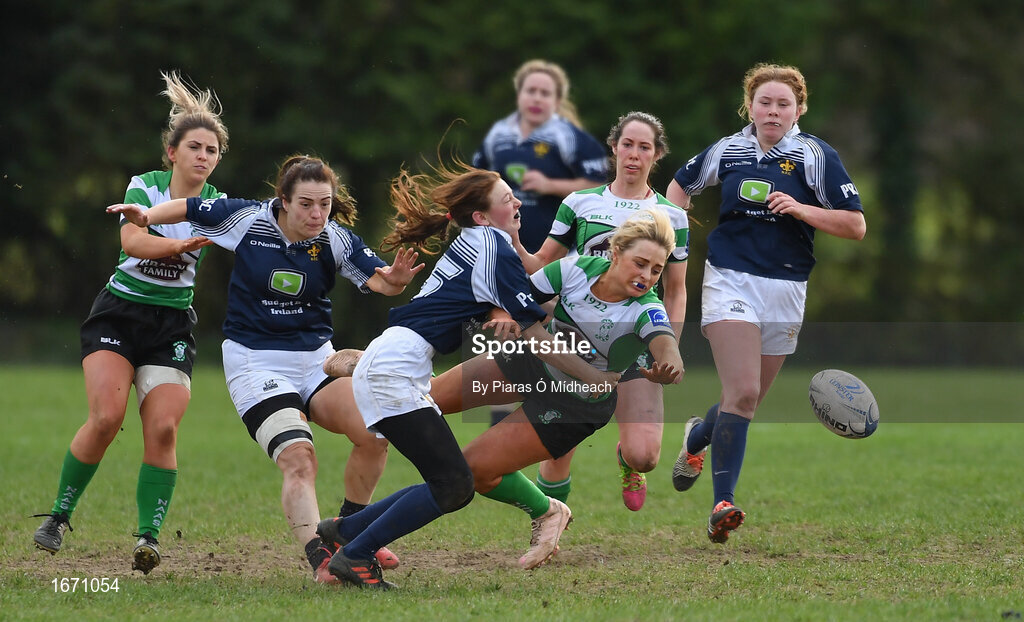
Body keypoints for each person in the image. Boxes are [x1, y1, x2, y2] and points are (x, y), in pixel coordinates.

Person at [107, 155, 423, 583]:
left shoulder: (336, 240)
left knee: (375, 433)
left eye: (325, 204)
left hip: (315, 360)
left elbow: (382, 282)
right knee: (299, 457)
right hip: (254, 361)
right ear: (283, 201)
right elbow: (186, 208)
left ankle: (351, 530)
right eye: (306, 204)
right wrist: (146, 216)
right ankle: (322, 561)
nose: (317, 215)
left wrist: (398, 279)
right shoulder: (247, 219)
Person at [312, 160, 619, 589]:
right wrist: (591, 375)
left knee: (450, 479)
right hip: (395, 372)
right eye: (504, 197)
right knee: (453, 485)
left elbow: (518, 305)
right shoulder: (494, 245)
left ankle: (345, 531)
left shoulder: (479, 241)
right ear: (481, 215)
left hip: (396, 366)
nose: (515, 200)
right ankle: (356, 554)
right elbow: (532, 329)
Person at [32, 71, 229, 574]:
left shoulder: (218, 207)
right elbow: (133, 243)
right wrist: (178, 245)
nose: (204, 156)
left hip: (171, 326)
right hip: (119, 313)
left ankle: (148, 537)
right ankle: (57, 516)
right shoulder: (145, 185)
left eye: (212, 150)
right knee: (106, 417)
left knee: (162, 427)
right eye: (196, 147)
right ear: (173, 152)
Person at [667, 63, 866, 543]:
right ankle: (723, 503)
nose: (773, 111)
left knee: (746, 399)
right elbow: (678, 188)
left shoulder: (815, 156)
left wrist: (801, 209)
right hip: (729, 279)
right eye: (764, 102)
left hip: (787, 288)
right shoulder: (728, 149)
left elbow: (855, 225)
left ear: (799, 109)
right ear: (750, 105)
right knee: (743, 392)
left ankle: (697, 438)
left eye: (783, 104)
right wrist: (671, 238)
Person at [428, 209, 683, 569]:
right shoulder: (575, 268)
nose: (647, 277)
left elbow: (666, 345)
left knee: (475, 471)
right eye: (640, 263)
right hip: (531, 361)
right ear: (615, 253)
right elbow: (519, 300)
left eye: (656, 270)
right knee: (426, 399)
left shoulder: (647, 308)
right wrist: (502, 315)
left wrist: (669, 367)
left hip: (575, 404)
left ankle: (548, 511)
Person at [511, 112, 689, 511]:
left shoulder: (672, 216)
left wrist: (668, 346)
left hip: (635, 342)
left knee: (645, 454)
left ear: (656, 155)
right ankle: (549, 524)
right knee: (557, 450)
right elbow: (545, 263)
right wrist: (514, 244)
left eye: (644, 147)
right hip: (576, 340)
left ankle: (629, 461)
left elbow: (675, 290)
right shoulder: (579, 202)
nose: (634, 154)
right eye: (628, 144)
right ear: (614, 147)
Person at [474, 59, 609, 427]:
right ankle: (501, 420)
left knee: (549, 329)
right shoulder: (498, 136)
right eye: (530, 91)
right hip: (502, 255)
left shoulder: (568, 138)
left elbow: (600, 185)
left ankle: (560, 403)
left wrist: (551, 186)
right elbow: (476, 183)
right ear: (519, 94)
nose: (536, 98)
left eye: (545, 93)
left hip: (551, 258)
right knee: (503, 331)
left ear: (557, 99)